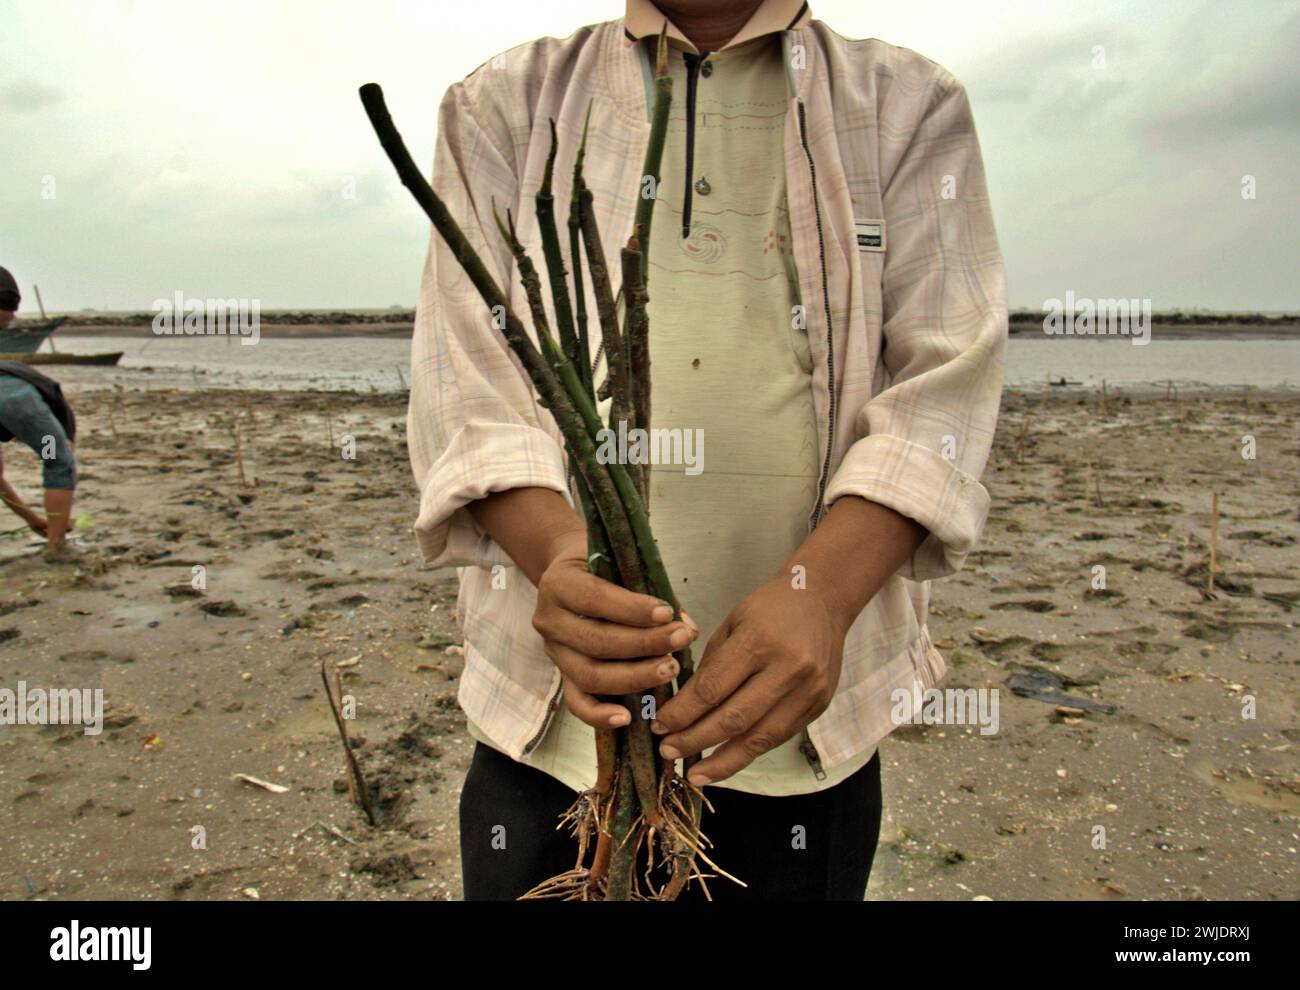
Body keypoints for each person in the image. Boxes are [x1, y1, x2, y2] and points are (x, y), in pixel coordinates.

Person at [408, 0, 1007, 900]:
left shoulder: (907, 105)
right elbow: (468, 389)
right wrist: (566, 564)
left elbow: (944, 386)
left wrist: (825, 596)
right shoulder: (502, 106)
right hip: (549, 728)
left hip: (795, 737)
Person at [0, 269, 81, 563]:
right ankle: (55, 546)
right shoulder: (58, 417)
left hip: (12, 398)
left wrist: (30, 517)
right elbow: (60, 458)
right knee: (58, 462)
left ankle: (48, 532)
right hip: (14, 400)